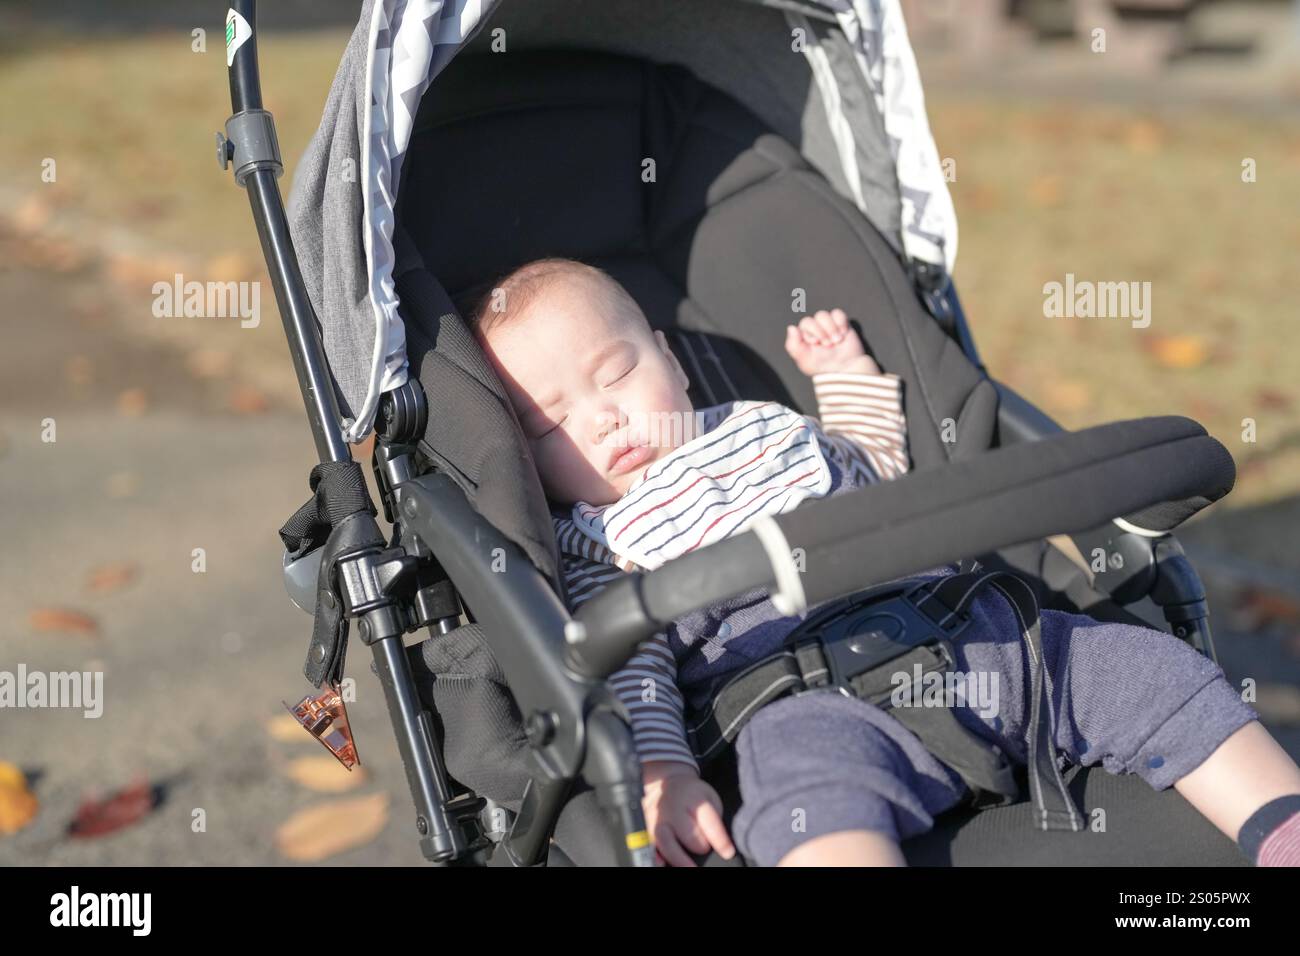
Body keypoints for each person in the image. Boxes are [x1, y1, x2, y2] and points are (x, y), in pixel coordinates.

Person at [471, 256, 1300, 867]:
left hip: (972, 637)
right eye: (552, 425)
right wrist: (663, 773)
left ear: (671, 360)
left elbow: (877, 472)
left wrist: (844, 378)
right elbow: (635, 669)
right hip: (801, 696)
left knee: (1144, 668)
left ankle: (1282, 827)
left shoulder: (764, 427)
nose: (605, 420)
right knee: (807, 796)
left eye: (615, 374)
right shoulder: (595, 540)